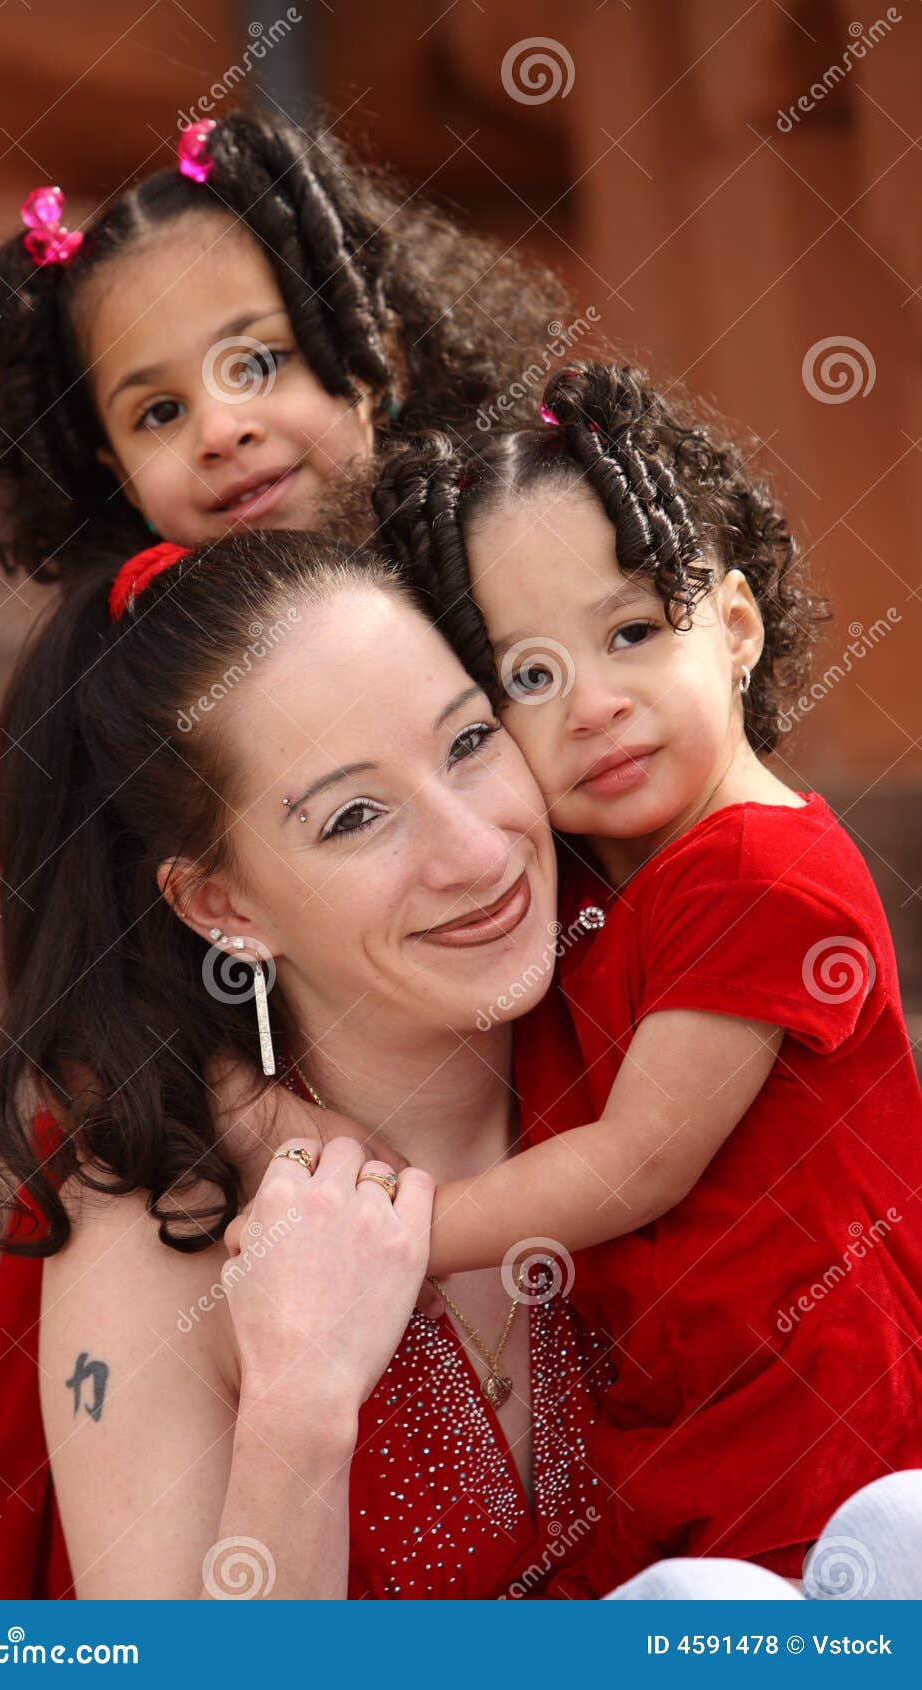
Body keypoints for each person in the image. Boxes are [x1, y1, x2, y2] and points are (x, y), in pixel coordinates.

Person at [0, 528, 614, 1599]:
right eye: (352, 816)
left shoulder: (665, 1071)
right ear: (223, 904)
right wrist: (297, 1410)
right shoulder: (159, 1241)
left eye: (469, 743)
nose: (478, 851)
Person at [331, 359, 922, 1594]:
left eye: (633, 633)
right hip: (666, 1406)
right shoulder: (584, 891)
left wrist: (402, 1234)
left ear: (739, 629)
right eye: (527, 677)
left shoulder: (763, 870)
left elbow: (637, 1156)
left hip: (811, 1404)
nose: (592, 704)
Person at [0, 101, 575, 855]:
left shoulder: (527, 555)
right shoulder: (122, 705)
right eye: (158, 413)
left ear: (372, 354)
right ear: (117, 475)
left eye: (257, 363)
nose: (220, 432)